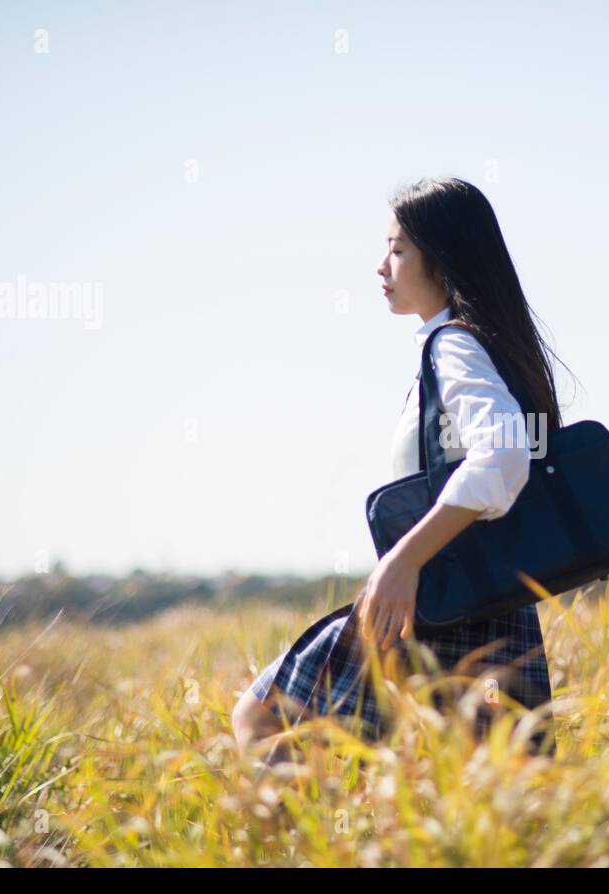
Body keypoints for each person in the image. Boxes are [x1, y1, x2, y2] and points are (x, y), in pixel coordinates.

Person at [231, 177, 571, 763]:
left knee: (263, 716)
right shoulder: (472, 345)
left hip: (441, 600)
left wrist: (404, 558)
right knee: (477, 793)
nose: (381, 266)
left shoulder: (454, 346)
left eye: (397, 248)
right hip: (476, 603)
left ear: (444, 259)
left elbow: (505, 452)